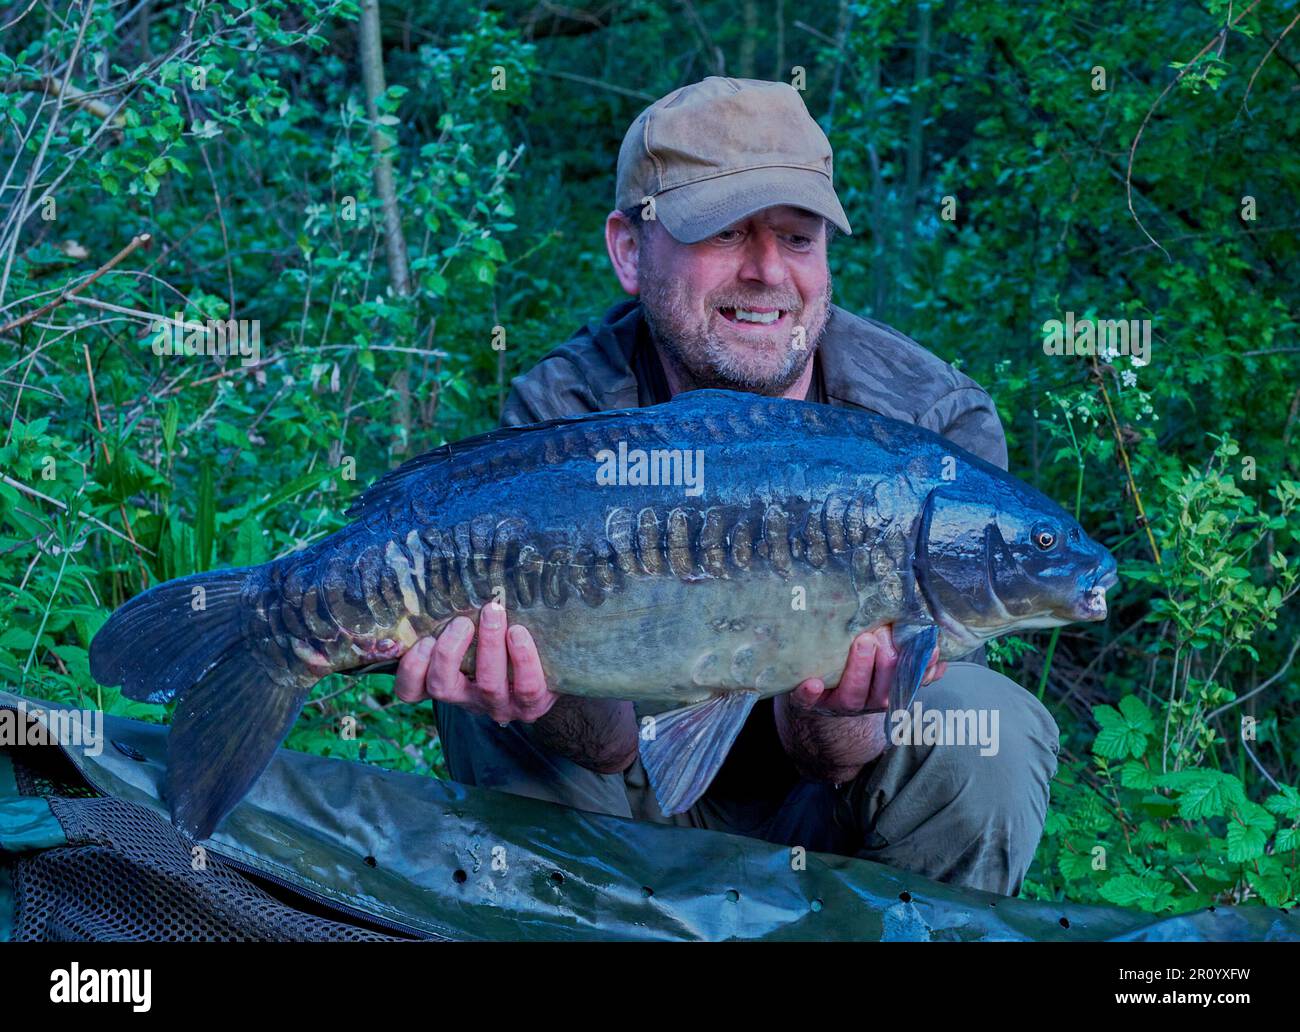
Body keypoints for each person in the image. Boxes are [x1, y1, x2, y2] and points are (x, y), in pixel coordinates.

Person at [395, 77, 1059, 896]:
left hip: (830, 813)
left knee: (988, 729)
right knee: (488, 675)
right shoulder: (567, 412)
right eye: (726, 234)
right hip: (618, 802)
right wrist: (536, 698)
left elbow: (836, 751)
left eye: (797, 237)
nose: (767, 271)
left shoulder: (932, 426)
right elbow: (601, 747)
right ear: (630, 251)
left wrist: (836, 708)